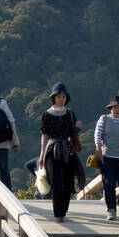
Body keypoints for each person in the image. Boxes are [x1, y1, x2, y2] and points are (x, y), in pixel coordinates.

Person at [38, 83, 85, 223]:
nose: (61, 99)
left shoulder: (69, 113)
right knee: (56, 182)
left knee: (68, 181)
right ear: (53, 98)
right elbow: (45, 135)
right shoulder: (46, 115)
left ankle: (63, 211)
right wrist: (42, 154)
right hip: (52, 150)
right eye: (59, 96)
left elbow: (72, 133)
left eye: (63, 97)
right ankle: (58, 213)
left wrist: (77, 128)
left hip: (68, 149)